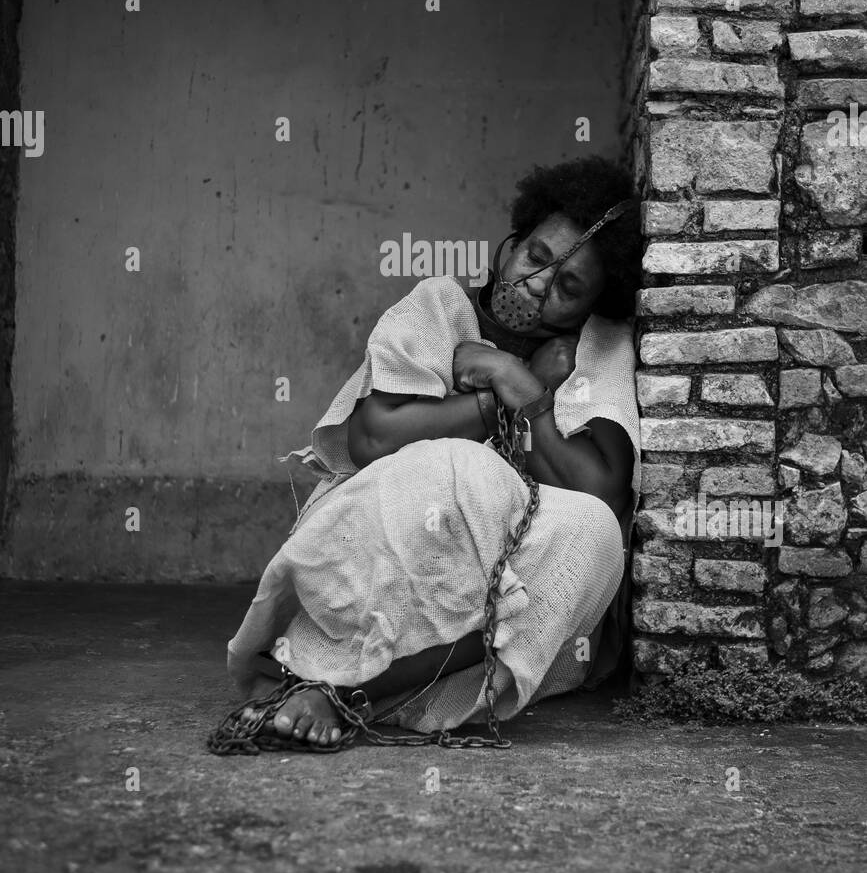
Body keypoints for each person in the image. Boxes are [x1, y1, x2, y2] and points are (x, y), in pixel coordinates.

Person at [219, 155, 642, 751]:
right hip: (384, 551)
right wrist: (501, 391)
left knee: (595, 533)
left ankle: (354, 693)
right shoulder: (440, 307)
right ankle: (342, 677)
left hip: (505, 593)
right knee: (458, 470)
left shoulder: (596, 350)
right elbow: (373, 439)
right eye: (536, 257)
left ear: (593, 303)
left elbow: (602, 494)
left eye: (569, 287)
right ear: (510, 245)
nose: (540, 284)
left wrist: (521, 389)